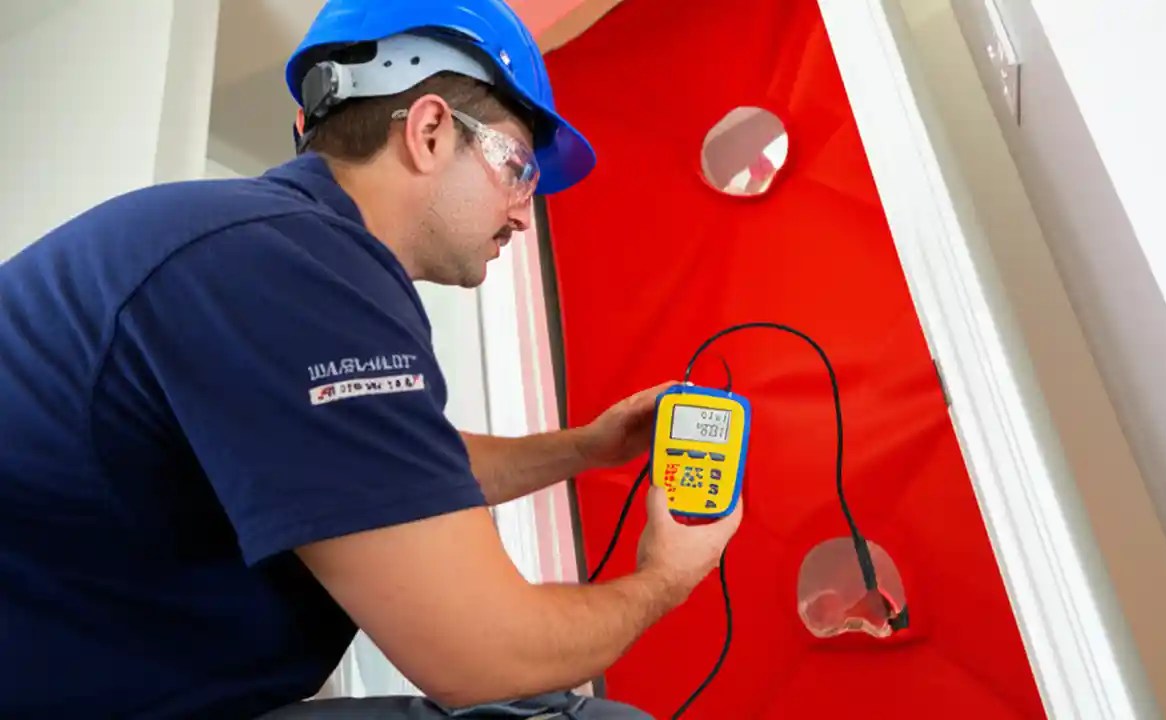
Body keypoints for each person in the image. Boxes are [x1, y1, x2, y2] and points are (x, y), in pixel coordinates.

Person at [0, 0, 743, 717]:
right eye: (518, 166)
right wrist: (668, 576)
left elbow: (385, 473)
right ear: (426, 131)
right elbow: (485, 656)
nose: (524, 210)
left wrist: (587, 448)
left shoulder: (247, 250)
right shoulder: (296, 272)